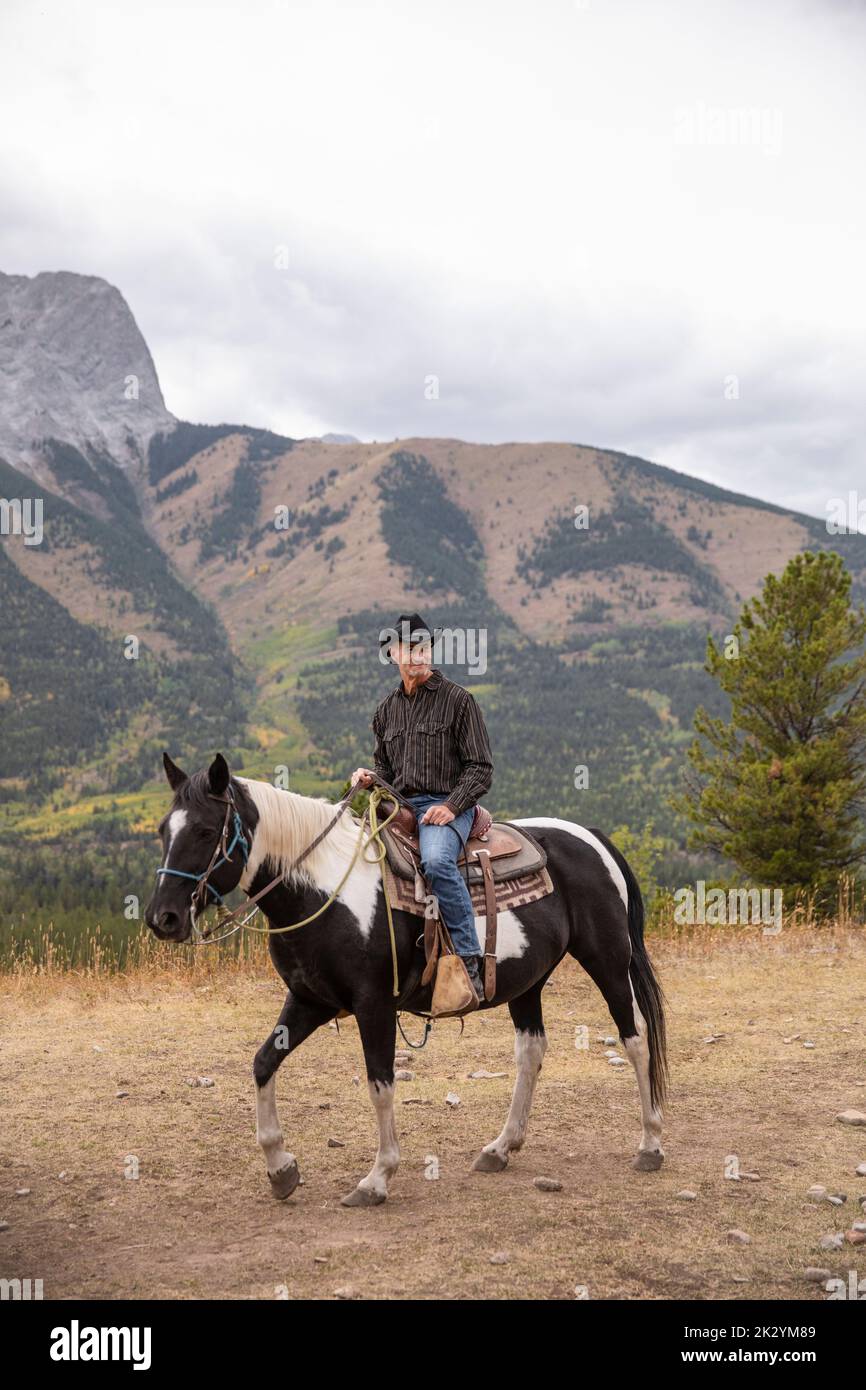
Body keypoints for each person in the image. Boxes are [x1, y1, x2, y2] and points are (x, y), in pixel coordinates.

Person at [351, 611, 494, 1000]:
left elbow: (481, 768)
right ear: (393, 654)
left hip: (447, 805)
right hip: (401, 807)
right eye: (410, 649)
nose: (418, 655)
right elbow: (386, 769)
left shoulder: (459, 702)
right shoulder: (385, 711)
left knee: (436, 862)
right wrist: (370, 780)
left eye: (424, 648)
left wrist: (451, 807)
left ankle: (468, 960)